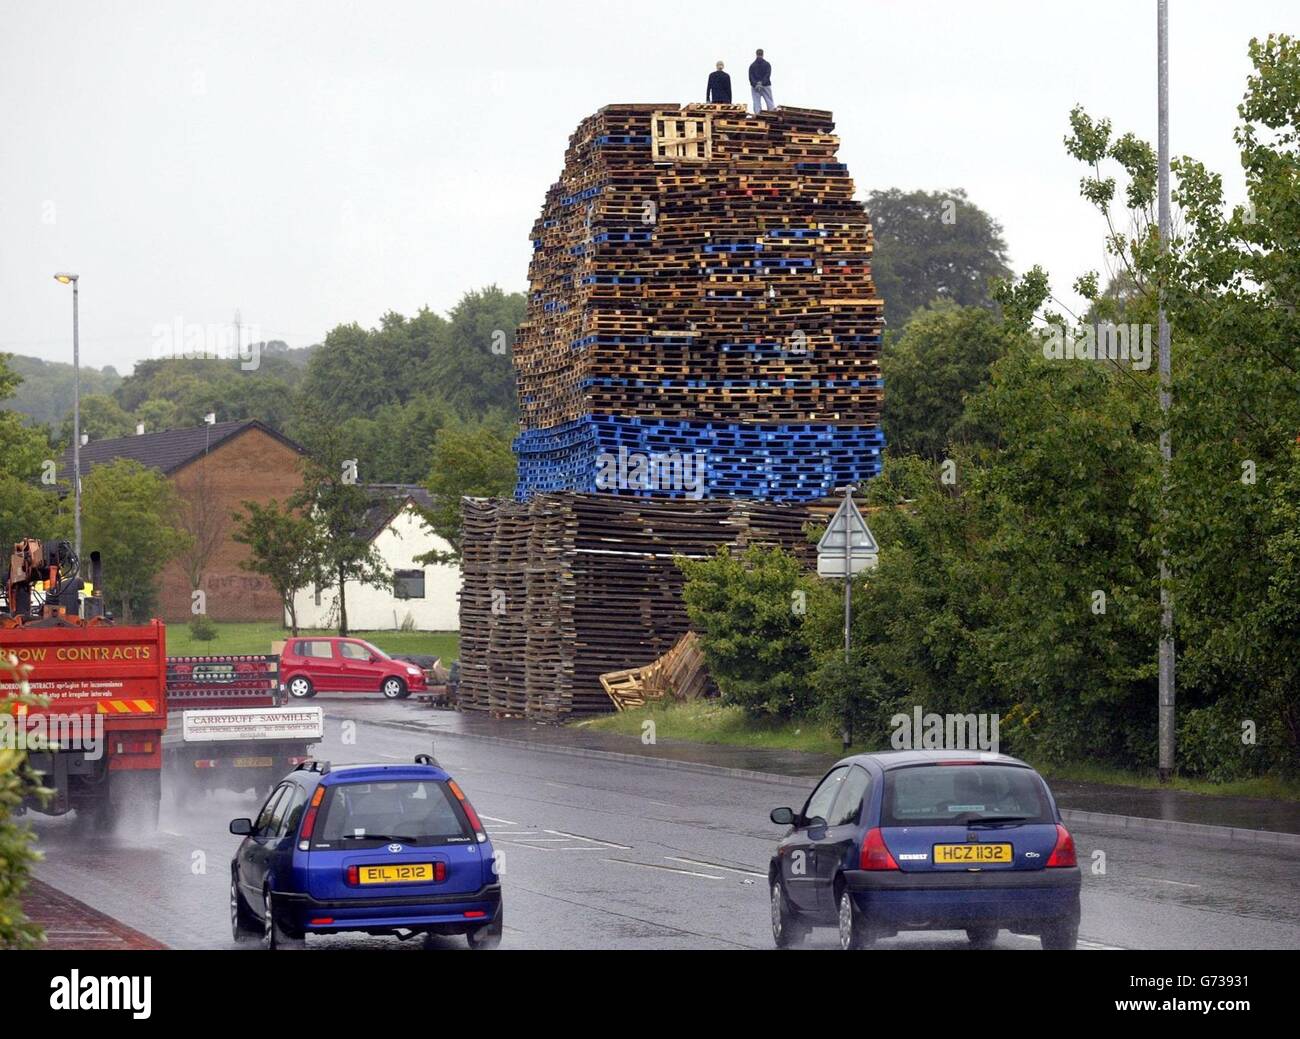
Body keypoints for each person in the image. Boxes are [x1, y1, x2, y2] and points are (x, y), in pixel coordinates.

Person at [749, 48, 774, 113]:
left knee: (756, 102)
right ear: (763, 54)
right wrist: (762, 83)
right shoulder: (767, 64)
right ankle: (772, 113)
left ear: (756, 54)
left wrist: (755, 84)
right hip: (766, 85)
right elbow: (768, 75)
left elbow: (751, 77)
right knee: (769, 101)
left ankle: (758, 114)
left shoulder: (752, 65)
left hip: (755, 87)